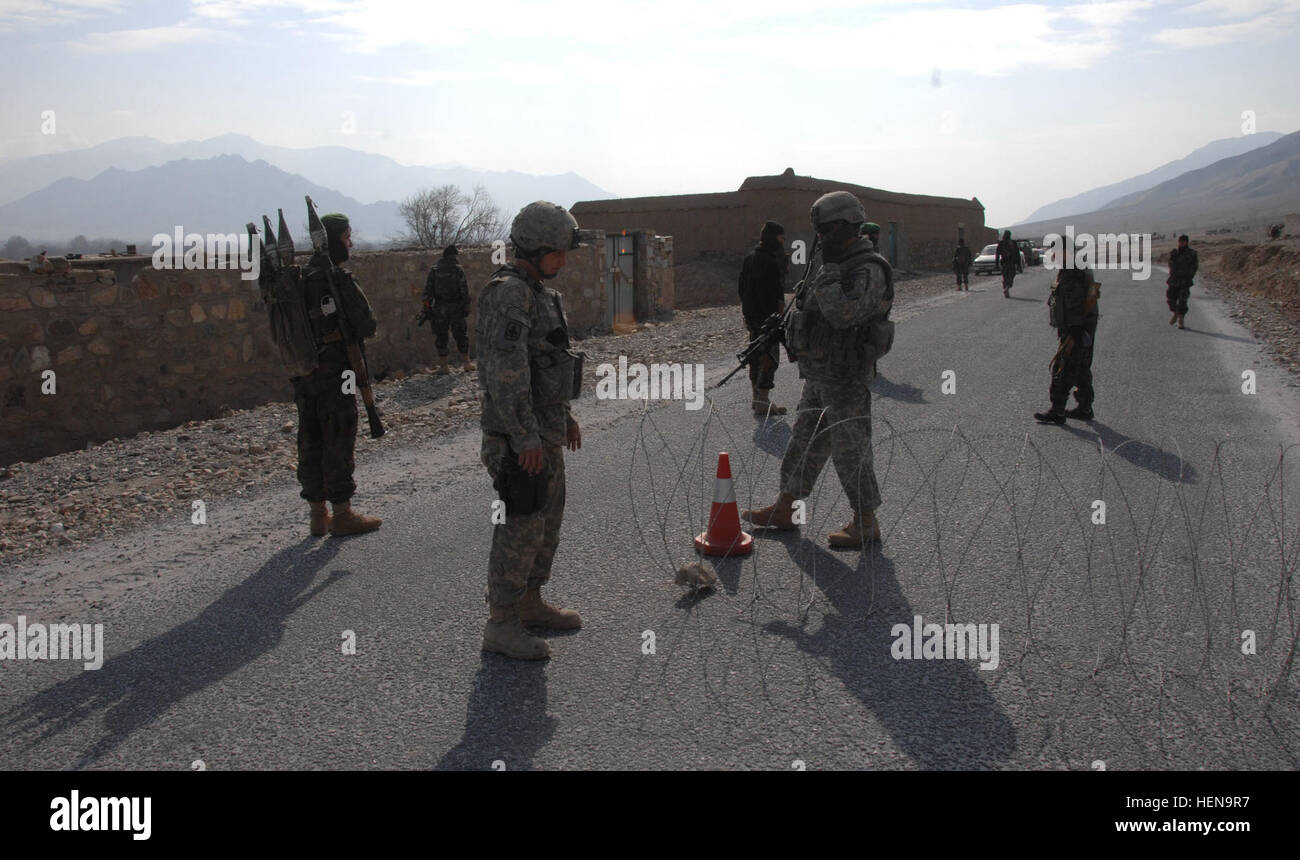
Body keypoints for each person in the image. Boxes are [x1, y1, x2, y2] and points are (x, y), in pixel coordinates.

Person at [741, 191, 893, 548]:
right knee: (803, 442)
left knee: (849, 449)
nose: (821, 237)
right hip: (819, 373)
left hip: (846, 377)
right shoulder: (829, 263)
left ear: (844, 226)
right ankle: (786, 508)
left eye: (826, 230)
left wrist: (828, 274)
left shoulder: (867, 268)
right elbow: (811, 308)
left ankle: (865, 521)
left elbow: (844, 313)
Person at [476, 201, 586, 660]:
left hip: (546, 430)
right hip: (519, 438)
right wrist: (523, 438)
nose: (563, 260)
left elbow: (545, 361)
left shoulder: (538, 291)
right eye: (558, 252)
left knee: (546, 522)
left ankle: (529, 601)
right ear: (535, 249)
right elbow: (506, 373)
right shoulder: (508, 294)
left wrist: (563, 418)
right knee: (520, 526)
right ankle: (500, 623)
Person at [294, 213, 383, 537]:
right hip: (339, 370)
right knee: (339, 434)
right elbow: (366, 324)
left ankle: (318, 515)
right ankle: (343, 513)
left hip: (305, 373)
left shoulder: (299, 279)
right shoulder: (336, 279)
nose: (351, 243)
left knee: (310, 437)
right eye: (347, 237)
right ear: (334, 240)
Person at [1034, 244, 1099, 424]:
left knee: (1062, 368)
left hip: (1076, 328)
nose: (1053, 255)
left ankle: (1058, 411)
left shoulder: (1072, 271)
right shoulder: (1075, 266)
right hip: (1083, 326)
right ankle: (1085, 407)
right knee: (1080, 367)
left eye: (1056, 252)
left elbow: (1077, 300)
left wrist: (1076, 328)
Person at [738, 220, 789, 415]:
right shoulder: (769, 260)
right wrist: (775, 317)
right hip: (768, 319)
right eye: (781, 238)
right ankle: (763, 400)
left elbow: (741, 288)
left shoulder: (751, 258)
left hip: (752, 316)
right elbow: (773, 292)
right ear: (774, 238)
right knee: (769, 357)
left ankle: (757, 398)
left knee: (755, 355)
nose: (783, 242)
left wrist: (748, 312)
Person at [423, 244, 474, 373]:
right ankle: (467, 364)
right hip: (456, 307)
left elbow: (428, 293)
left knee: (441, 337)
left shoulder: (434, 270)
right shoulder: (458, 270)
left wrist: (427, 309)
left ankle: (444, 367)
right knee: (461, 335)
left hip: (440, 308)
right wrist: (466, 306)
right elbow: (464, 291)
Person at [1166, 234, 1198, 329]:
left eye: (1183, 241)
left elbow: (1195, 266)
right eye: (1180, 241)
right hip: (1174, 280)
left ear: (1187, 242)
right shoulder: (1174, 252)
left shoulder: (1192, 253)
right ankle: (1175, 312)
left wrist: (1189, 276)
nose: (1181, 243)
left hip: (1185, 280)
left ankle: (1181, 320)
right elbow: (1170, 264)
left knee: (1182, 300)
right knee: (1170, 298)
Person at [995, 230, 1021, 297]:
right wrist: (1019, 264)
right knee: (1011, 276)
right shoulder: (1013, 243)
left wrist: (996, 264)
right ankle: (1007, 288)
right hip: (1011, 263)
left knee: (1005, 277)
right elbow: (1017, 255)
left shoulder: (1001, 243)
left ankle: (1006, 290)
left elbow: (997, 254)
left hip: (1004, 263)